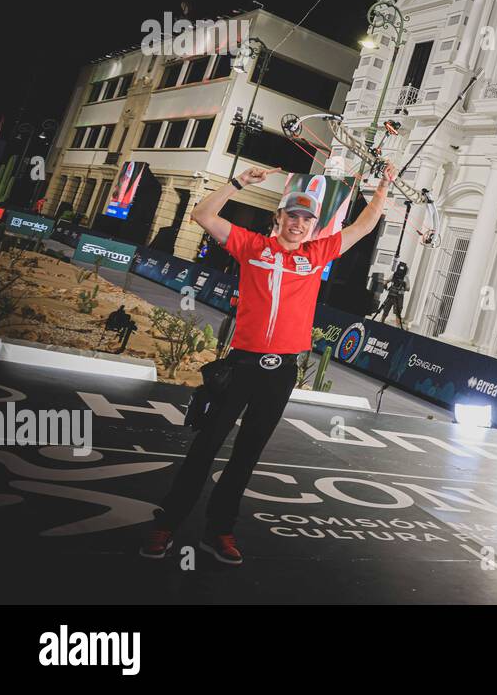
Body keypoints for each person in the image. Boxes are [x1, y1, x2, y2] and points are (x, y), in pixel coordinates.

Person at [139, 164, 393, 565]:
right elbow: (202, 215)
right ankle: (167, 523)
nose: (299, 223)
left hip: (282, 371)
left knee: (247, 454)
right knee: (205, 446)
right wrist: (238, 183)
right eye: (292, 214)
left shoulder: (319, 252)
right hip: (241, 365)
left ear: (314, 226)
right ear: (279, 217)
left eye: (307, 218)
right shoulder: (251, 246)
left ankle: (219, 530)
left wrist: (382, 189)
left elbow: (364, 225)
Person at [373, 261, 409, 327]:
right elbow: (408, 288)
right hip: (399, 296)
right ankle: (397, 326)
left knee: (387, 309)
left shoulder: (394, 275)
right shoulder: (405, 278)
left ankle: (382, 321)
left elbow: (385, 282)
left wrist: (385, 286)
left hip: (392, 294)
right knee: (397, 312)